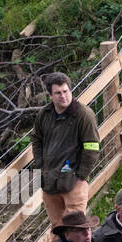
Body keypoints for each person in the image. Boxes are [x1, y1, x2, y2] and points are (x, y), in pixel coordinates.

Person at [31, 72, 101, 229]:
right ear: (50, 95)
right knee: (57, 229)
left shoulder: (83, 115)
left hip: (73, 182)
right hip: (49, 181)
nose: (63, 96)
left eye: (66, 91)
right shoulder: (44, 114)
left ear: (70, 90)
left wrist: (81, 176)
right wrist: (40, 163)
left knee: (75, 228)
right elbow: (36, 139)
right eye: (58, 93)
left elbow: (92, 147)